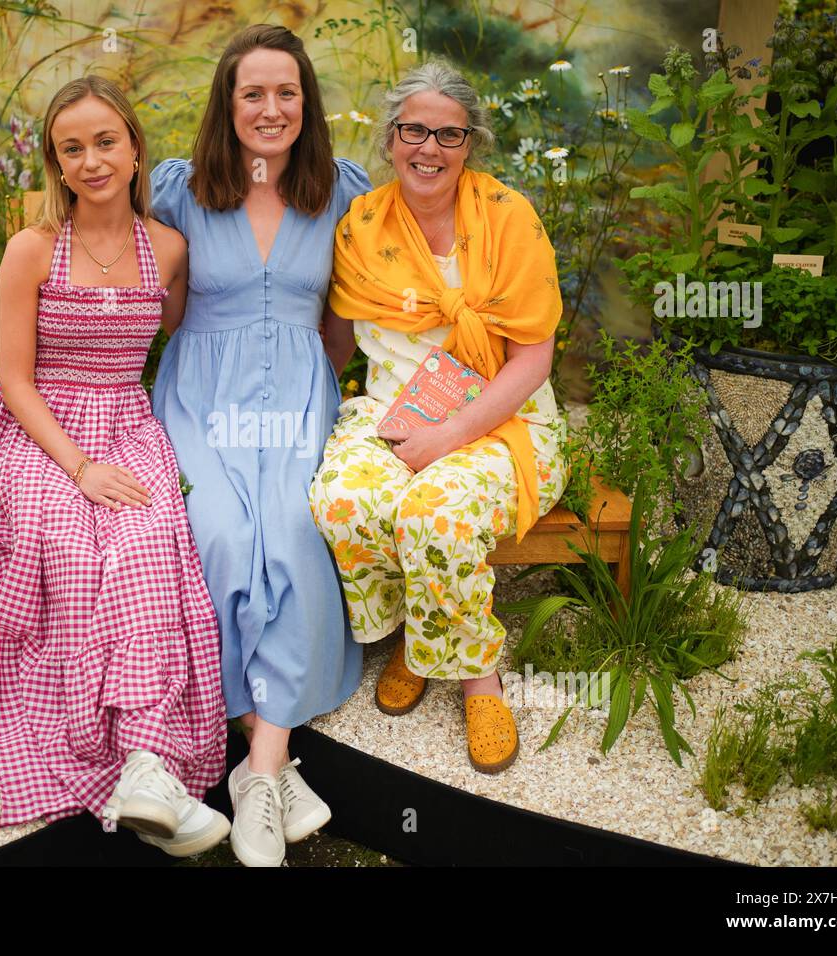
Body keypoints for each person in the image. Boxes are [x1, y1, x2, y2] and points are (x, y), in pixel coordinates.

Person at [0, 75, 230, 858]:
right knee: (72, 547)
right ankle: (119, 759)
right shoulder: (32, 249)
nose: (91, 159)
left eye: (106, 141)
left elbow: (184, 334)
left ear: (136, 147)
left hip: (126, 422)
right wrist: (76, 468)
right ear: (56, 162)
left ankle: (148, 761)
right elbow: (14, 378)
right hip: (38, 430)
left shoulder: (168, 247)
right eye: (71, 148)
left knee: (146, 546)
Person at [149, 24, 371, 866]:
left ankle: (259, 766)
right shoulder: (180, 192)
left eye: (287, 92)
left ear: (306, 102)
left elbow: (341, 329)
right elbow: (139, 289)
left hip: (301, 399)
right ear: (228, 103)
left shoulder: (340, 191)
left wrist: (316, 390)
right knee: (221, 534)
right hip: (202, 398)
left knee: (292, 529)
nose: (271, 108)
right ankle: (273, 766)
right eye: (254, 93)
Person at [310, 59, 570, 774]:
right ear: (391, 139)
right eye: (414, 130)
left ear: (470, 143)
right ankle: (414, 640)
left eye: (448, 135)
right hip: (396, 409)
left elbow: (533, 360)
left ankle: (478, 679)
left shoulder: (509, 218)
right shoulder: (362, 223)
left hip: (503, 420)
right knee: (342, 499)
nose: (429, 148)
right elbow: (334, 337)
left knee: (436, 512)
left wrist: (450, 436)